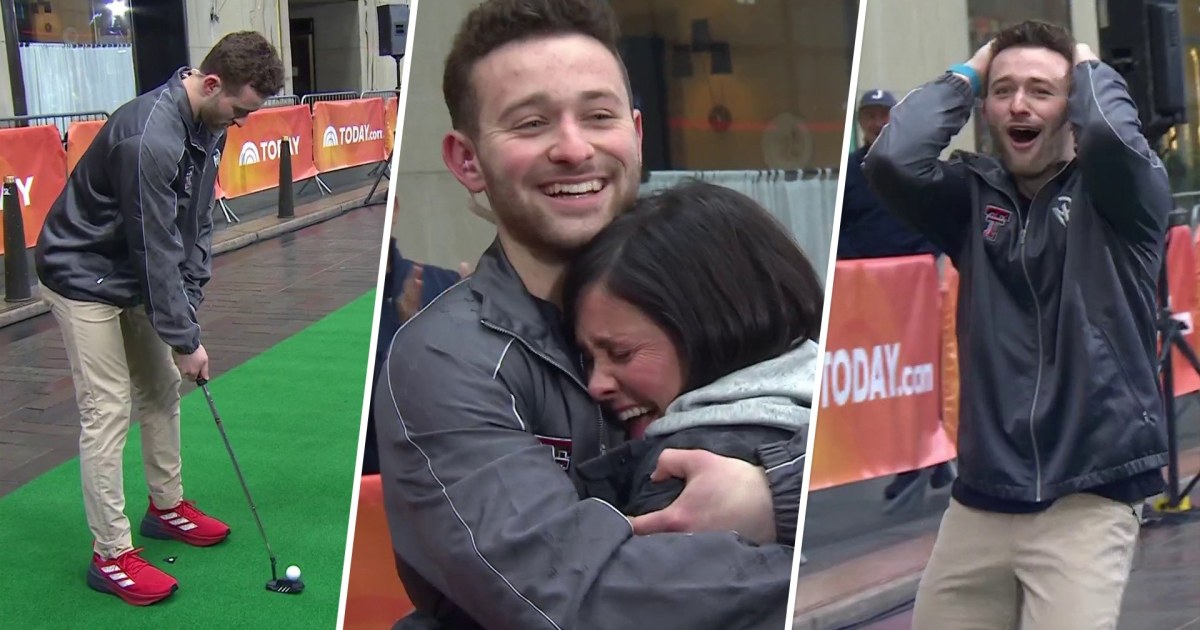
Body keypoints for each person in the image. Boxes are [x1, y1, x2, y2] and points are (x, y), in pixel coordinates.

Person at [373, 1, 806, 628]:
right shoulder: (446, 360)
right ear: (467, 160)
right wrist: (800, 570)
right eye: (531, 124)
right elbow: (580, 599)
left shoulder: (718, 282)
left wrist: (780, 497)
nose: (574, 149)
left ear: (635, 131)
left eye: (598, 116)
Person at [863, 20, 1168, 629]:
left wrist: (1083, 60)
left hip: (1087, 496)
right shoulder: (972, 198)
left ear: (1072, 106)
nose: (1019, 104)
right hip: (981, 499)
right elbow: (893, 157)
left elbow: (1107, 136)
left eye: (1041, 90)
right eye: (1003, 91)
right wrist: (972, 69)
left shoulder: (1123, 194)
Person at [34, 31, 285, 606]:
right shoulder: (149, 136)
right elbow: (154, 243)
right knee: (108, 407)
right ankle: (111, 555)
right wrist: (182, 336)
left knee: (162, 388)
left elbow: (193, 225)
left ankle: (166, 508)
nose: (243, 122)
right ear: (212, 83)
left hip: (133, 271)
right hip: (81, 272)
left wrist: (187, 313)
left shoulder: (210, 125)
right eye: (241, 109)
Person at [566, 181, 820, 521]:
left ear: (713, 325)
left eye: (621, 353)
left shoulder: (683, 477)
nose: (597, 384)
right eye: (589, 359)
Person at [837, 88, 941, 261]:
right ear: (860, 122)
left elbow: (940, 218)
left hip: (915, 270)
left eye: (885, 115)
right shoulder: (848, 168)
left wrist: (925, 256)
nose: (878, 123)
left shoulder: (920, 163)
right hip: (862, 273)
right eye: (870, 116)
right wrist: (853, 260)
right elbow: (838, 226)